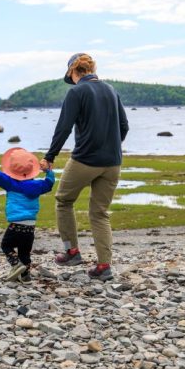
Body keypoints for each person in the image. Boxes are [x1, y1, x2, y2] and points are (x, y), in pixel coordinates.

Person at [41, 53, 129, 281]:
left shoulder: (76, 92)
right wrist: (111, 147)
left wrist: (50, 157)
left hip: (85, 160)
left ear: (73, 71)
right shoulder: (110, 89)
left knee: (63, 200)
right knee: (100, 213)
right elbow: (124, 126)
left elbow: (63, 128)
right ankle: (104, 267)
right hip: (112, 163)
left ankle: (72, 251)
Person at [0, 147, 55, 283]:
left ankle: (16, 265)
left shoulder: (10, 183)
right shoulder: (37, 186)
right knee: (24, 252)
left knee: (6, 245)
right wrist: (49, 171)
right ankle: (25, 276)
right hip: (30, 227)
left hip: (16, 225)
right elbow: (49, 184)